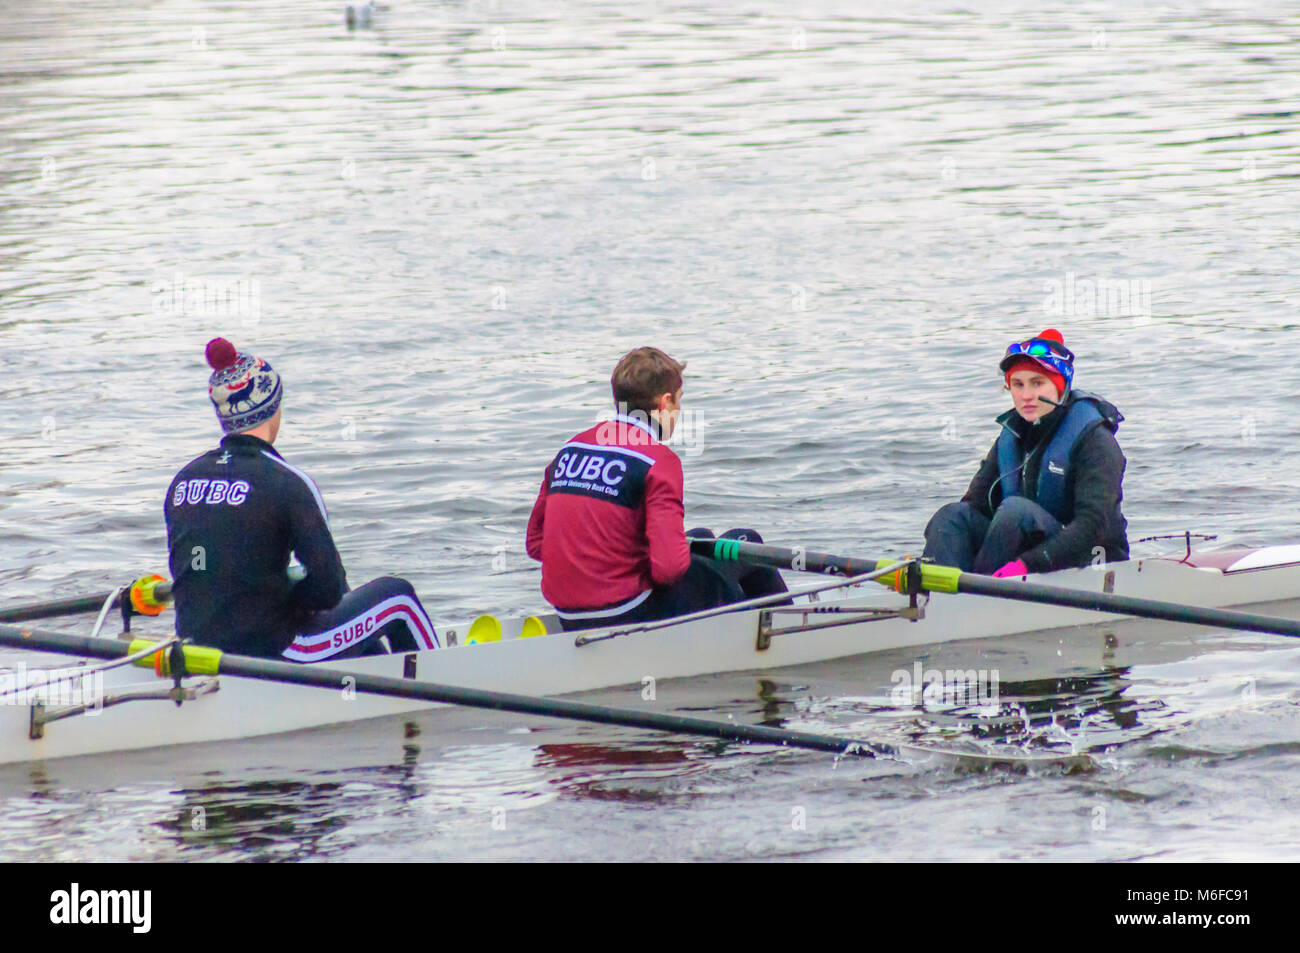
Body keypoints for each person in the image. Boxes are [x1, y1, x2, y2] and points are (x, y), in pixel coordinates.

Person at [164, 337, 438, 661]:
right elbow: (327, 588)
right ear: (273, 407)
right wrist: (294, 596)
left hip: (200, 647)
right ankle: (445, 687)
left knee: (344, 593)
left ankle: (375, 673)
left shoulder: (182, 481)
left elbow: (203, 574)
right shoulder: (288, 483)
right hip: (277, 650)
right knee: (398, 596)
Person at [526, 346, 787, 631]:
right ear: (664, 403)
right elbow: (668, 570)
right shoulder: (659, 461)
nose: (679, 412)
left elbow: (537, 545)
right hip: (629, 615)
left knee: (701, 538)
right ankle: (789, 635)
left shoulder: (570, 448)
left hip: (570, 615)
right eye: (679, 402)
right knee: (746, 542)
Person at [922, 328, 1128, 577]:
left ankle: (978, 594)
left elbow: (1093, 525)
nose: (1026, 396)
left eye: (1037, 383)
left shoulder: (1096, 440)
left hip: (1090, 558)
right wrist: (945, 551)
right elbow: (974, 506)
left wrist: (1027, 565)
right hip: (1018, 552)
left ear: (1060, 386)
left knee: (1015, 512)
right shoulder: (1010, 436)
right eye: (1018, 385)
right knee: (951, 517)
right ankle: (939, 591)